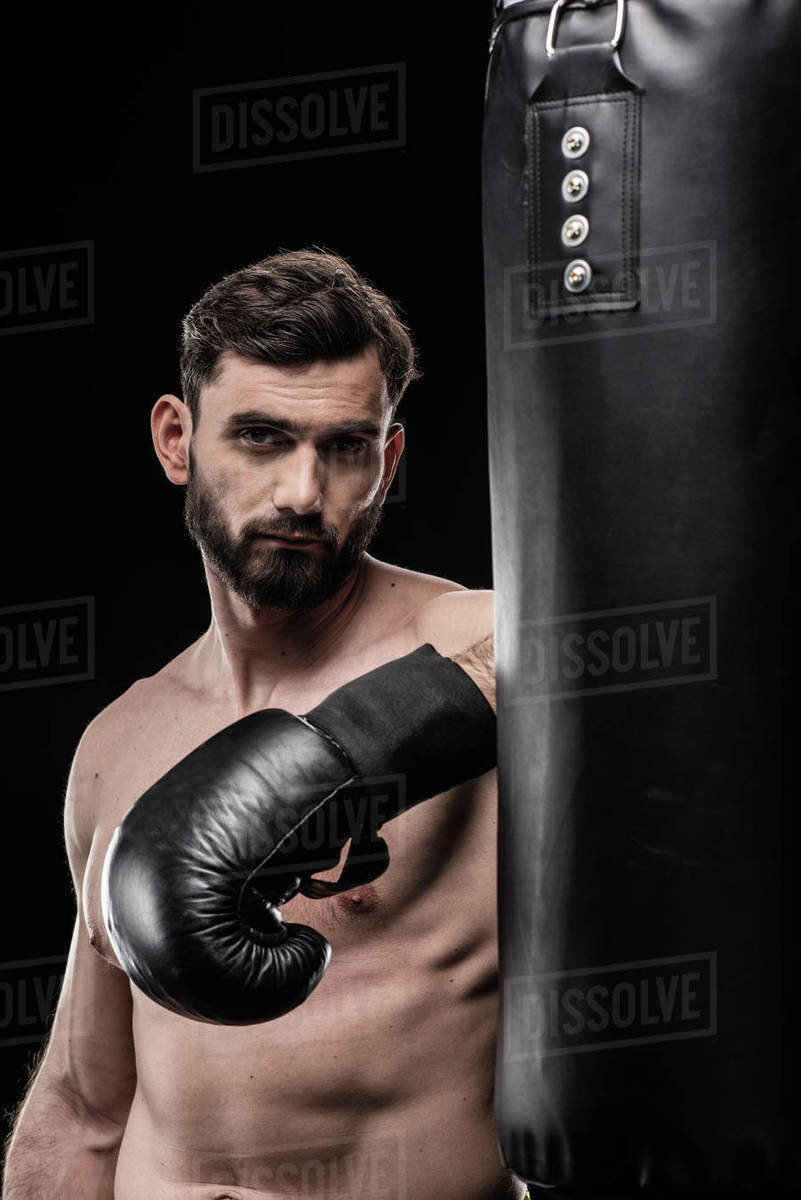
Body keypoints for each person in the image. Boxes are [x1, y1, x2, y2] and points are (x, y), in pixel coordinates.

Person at [2, 248, 529, 1200]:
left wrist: (352, 756)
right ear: (177, 440)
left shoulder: (470, 641)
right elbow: (83, 1105)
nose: (300, 492)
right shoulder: (120, 741)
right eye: (258, 437)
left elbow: (597, 650)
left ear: (389, 458)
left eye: (344, 447)